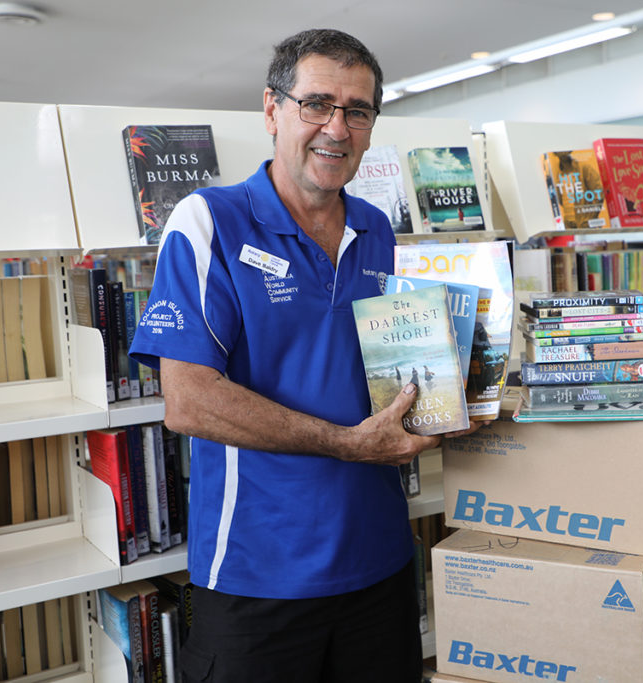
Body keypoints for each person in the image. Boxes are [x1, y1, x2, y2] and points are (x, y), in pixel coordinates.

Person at [129, 28, 474, 683]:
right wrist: (349, 442)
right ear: (271, 110)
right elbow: (188, 399)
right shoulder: (209, 223)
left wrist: (463, 396)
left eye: (357, 111)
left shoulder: (380, 229)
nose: (336, 128)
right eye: (316, 104)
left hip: (381, 566)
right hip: (258, 577)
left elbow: (407, 377)